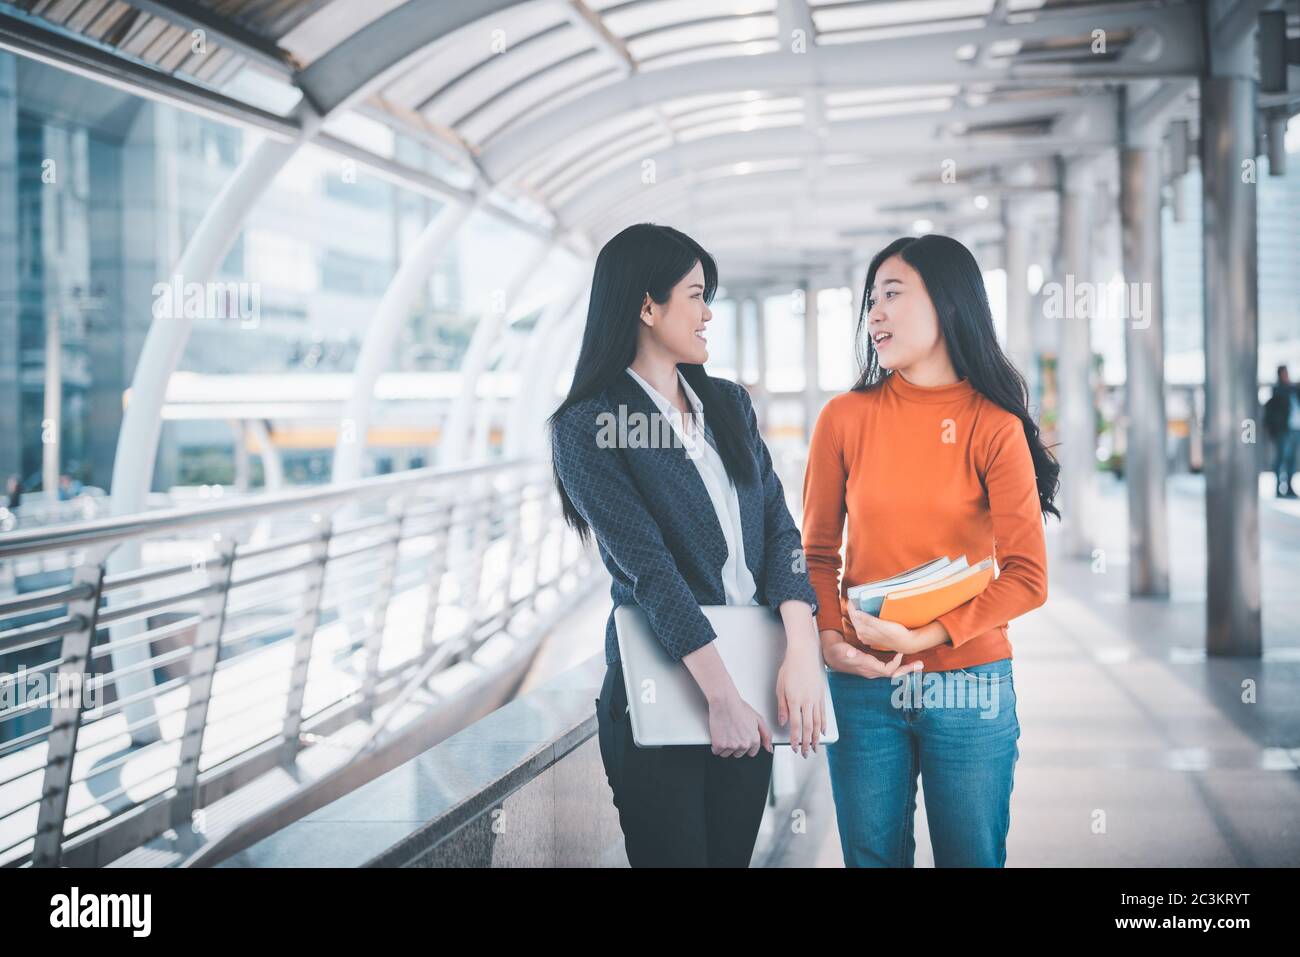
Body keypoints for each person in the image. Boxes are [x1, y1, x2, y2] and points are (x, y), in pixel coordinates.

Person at [549, 223, 833, 867]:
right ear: (647, 306)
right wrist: (721, 698)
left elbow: (780, 531)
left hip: (752, 680)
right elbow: (649, 572)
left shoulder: (728, 404)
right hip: (669, 687)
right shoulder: (589, 424)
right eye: (697, 295)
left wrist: (801, 647)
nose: (708, 314)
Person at [801, 234, 1059, 867]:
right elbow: (816, 553)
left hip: (969, 685)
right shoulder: (843, 418)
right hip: (863, 685)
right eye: (870, 300)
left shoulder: (994, 425)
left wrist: (923, 637)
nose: (874, 314)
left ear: (947, 303)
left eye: (891, 295)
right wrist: (831, 642)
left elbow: (1027, 576)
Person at [1264, 365, 1299, 498]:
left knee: (1292, 461)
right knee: (1281, 459)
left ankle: (1289, 487)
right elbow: (1272, 412)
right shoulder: (1278, 390)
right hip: (1284, 430)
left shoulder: (1293, 389)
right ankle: (1279, 488)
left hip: (1295, 429)